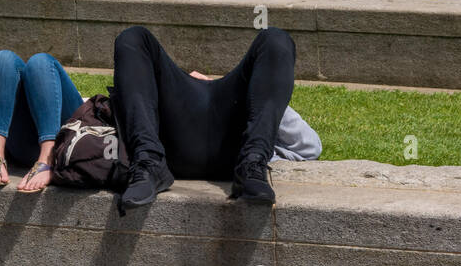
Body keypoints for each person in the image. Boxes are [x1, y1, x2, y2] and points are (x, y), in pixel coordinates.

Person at [113, 25, 321, 212]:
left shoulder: (257, 114)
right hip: (169, 134)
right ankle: (148, 163)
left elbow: (310, 147)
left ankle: (252, 166)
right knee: (133, 37)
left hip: (243, 149)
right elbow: (310, 148)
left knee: (276, 37)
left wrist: (259, 97)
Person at [0, 49, 84, 192]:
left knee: (40, 62)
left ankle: (48, 158)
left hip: (67, 141)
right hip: (25, 144)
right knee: (2, 59)